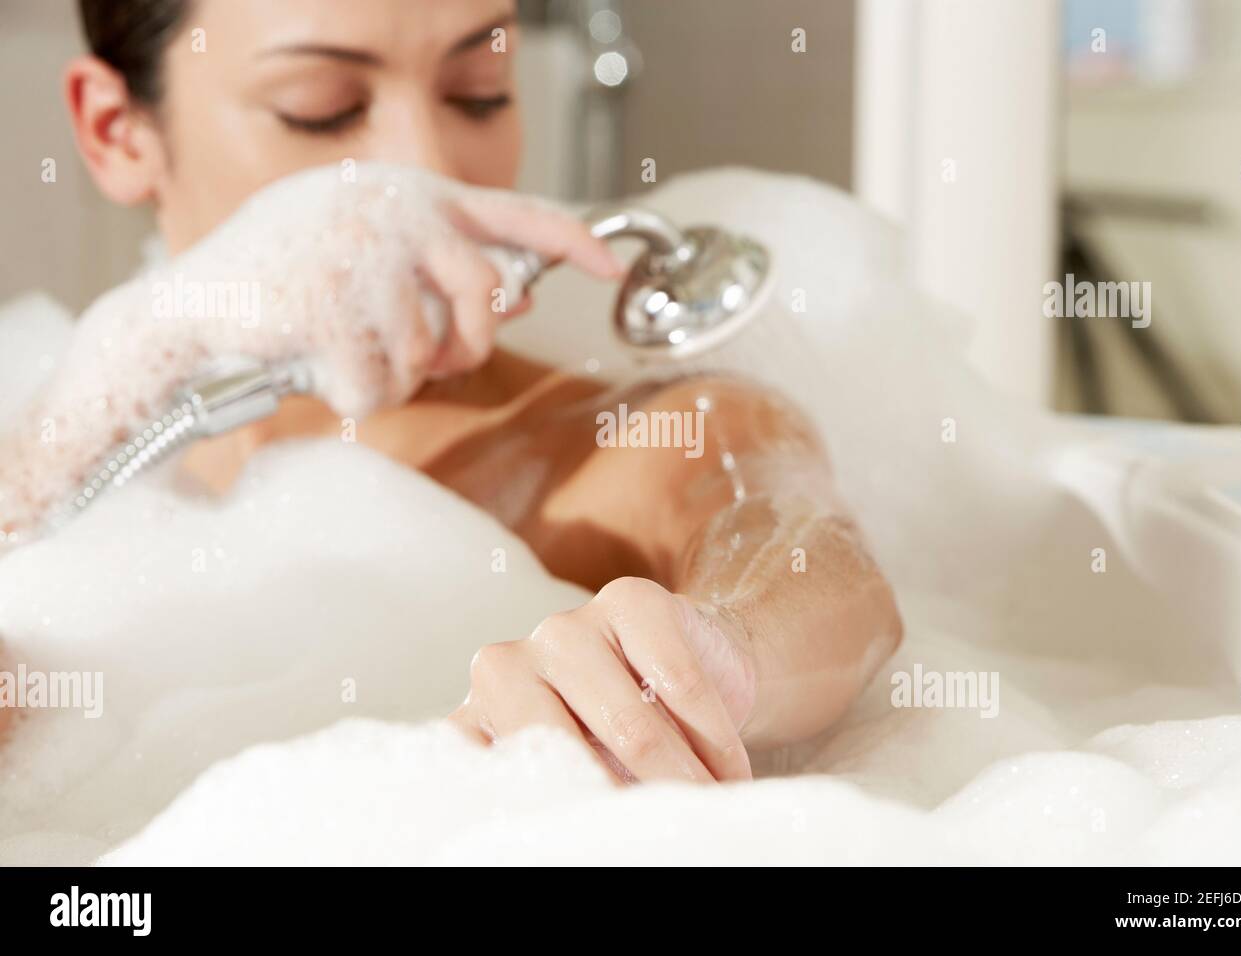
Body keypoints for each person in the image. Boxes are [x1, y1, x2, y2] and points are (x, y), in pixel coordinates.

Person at [0, 0, 901, 783]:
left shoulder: (629, 439)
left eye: (481, 90)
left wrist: (719, 658)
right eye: (323, 111)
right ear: (116, 131)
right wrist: (153, 344)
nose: (421, 163)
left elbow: (818, 574)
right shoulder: (46, 452)